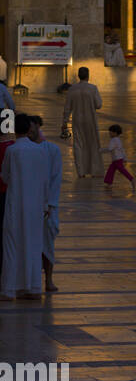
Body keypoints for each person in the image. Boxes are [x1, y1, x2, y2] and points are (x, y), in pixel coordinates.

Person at [0, 113, 50, 301]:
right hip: (35, 204)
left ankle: (10, 289)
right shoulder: (39, 150)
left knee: (13, 245)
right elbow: (45, 179)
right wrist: (46, 203)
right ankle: (33, 287)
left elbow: (5, 176)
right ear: (29, 129)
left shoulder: (12, 151)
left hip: (16, 203)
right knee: (33, 244)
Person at [28, 116, 62, 292]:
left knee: (47, 245)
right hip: (28, 204)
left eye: (33, 128)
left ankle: (48, 280)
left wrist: (49, 204)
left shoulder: (52, 150)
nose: (31, 131)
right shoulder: (24, 149)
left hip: (47, 206)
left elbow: (55, 179)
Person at [61, 66, 104, 177]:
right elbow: (98, 105)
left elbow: (67, 108)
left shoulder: (72, 89)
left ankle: (81, 172)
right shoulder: (93, 88)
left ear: (78, 76)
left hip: (77, 120)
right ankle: (94, 170)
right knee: (93, 144)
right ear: (88, 76)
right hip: (90, 120)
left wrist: (64, 122)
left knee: (78, 144)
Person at [103, 124, 135, 191]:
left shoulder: (113, 140)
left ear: (115, 133)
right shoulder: (118, 140)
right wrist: (124, 158)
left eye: (110, 132)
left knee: (122, 171)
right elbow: (122, 150)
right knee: (110, 170)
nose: (109, 133)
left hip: (117, 160)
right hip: (117, 159)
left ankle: (132, 179)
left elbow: (110, 148)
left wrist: (100, 150)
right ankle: (109, 183)